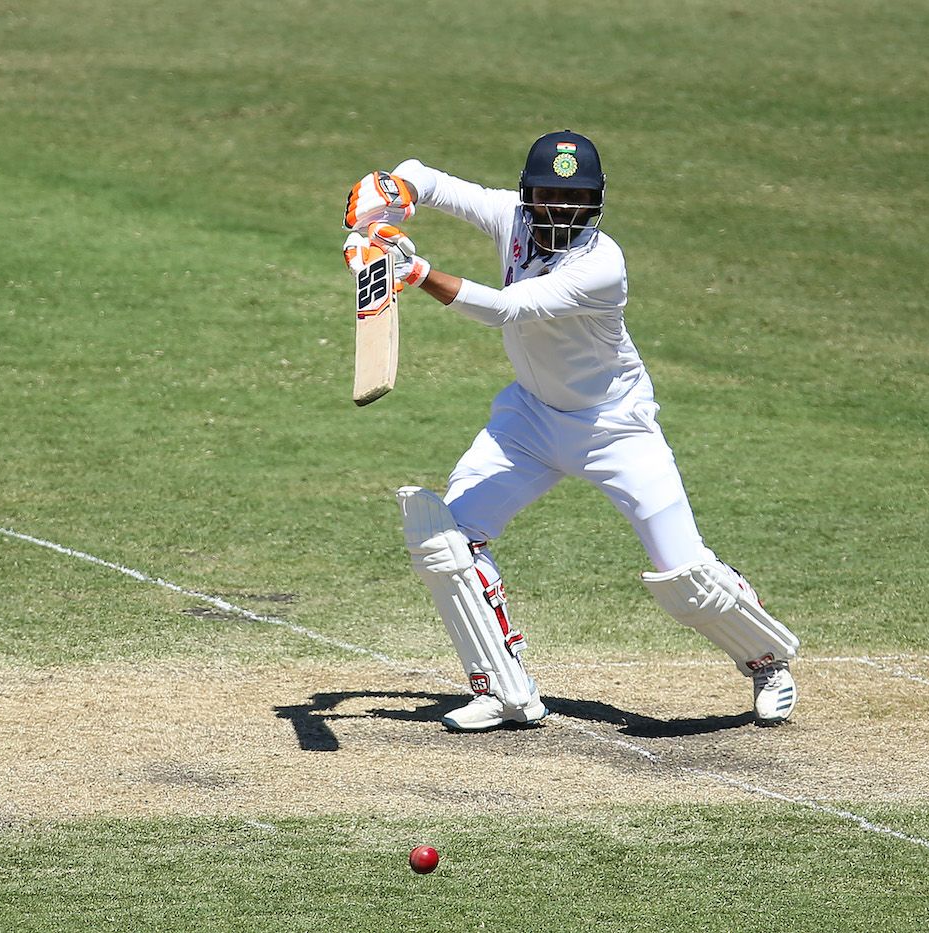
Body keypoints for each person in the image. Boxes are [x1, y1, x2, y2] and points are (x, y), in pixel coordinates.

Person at [342, 131, 799, 732]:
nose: (561, 211)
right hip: (529, 419)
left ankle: (768, 662)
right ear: (529, 194)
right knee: (449, 540)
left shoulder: (601, 265)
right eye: (549, 197)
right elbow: (428, 179)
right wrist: (392, 192)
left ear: (597, 201)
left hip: (615, 427)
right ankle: (505, 692)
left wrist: (417, 270)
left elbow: (509, 309)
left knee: (684, 578)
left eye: (576, 200)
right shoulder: (512, 215)